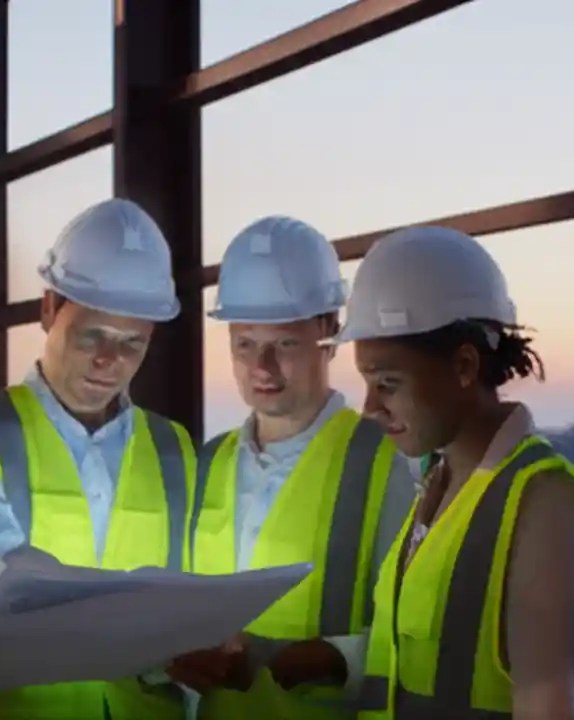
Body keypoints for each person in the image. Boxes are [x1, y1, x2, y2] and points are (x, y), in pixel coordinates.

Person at [330, 226, 574, 720]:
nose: (370, 408)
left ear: (465, 365)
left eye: (388, 384)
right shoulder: (440, 489)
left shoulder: (543, 506)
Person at [0, 197, 196, 720]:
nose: (109, 360)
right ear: (48, 309)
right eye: (91, 335)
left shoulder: (173, 448)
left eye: (132, 343)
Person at [171, 216, 414, 719]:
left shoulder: (386, 460)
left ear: (328, 330)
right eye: (245, 344)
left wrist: (309, 660)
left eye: (283, 345)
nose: (261, 367)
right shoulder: (207, 463)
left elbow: (416, 634)